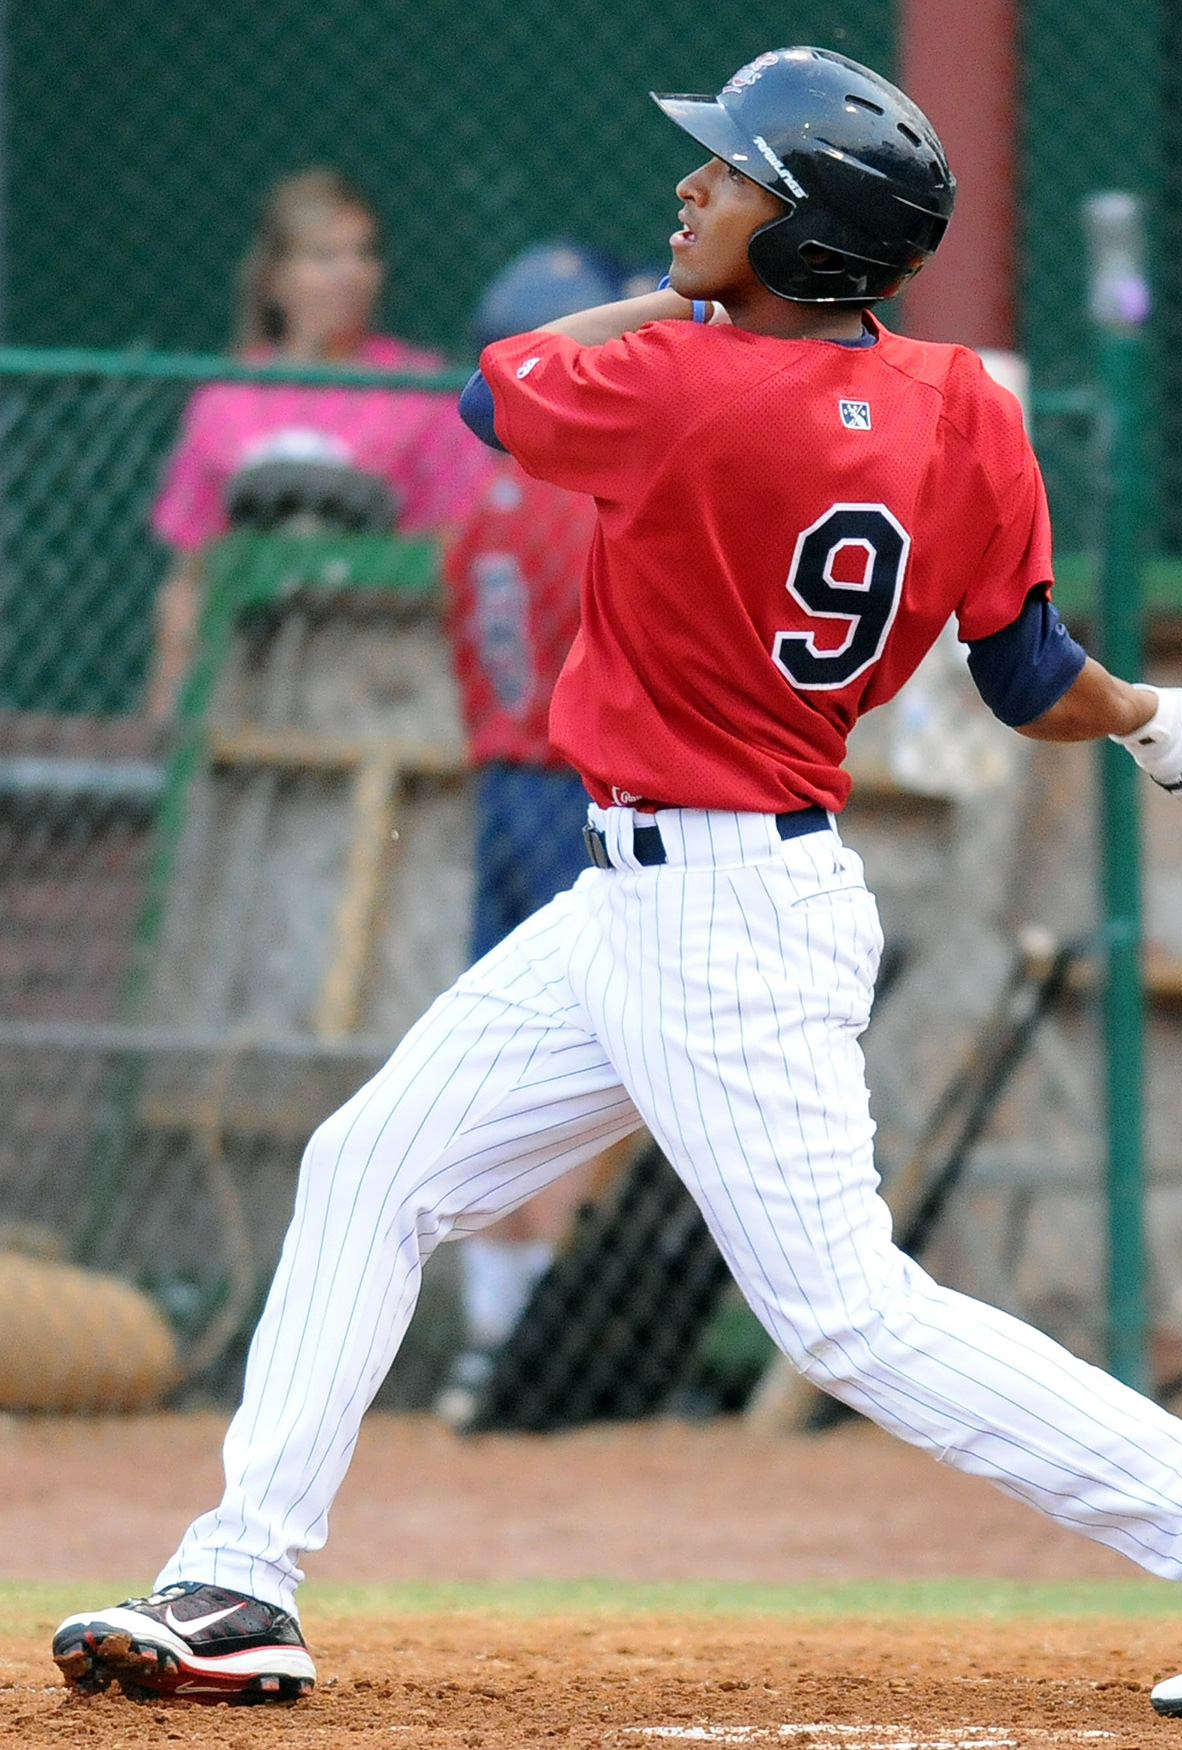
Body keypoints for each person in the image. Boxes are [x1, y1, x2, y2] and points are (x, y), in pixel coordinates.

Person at [53, 49, 1182, 1723]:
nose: (690, 192)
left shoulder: (678, 384)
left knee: (842, 1315)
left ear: (808, 232)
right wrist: (1147, 720)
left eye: (733, 177)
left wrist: (685, 302)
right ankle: (243, 1576)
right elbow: (1031, 674)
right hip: (656, 894)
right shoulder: (963, 402)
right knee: (368, 1165)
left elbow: (495, 390)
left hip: (721, 908)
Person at [434, 242, 632, 1430]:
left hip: (498, 781)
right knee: (585, 1074)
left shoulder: (477, 499)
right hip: (575, 790)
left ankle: (495, 1336)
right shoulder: (582, 502)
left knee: (501, 1066)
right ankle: (540, 1342)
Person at [146, 169, 484, 719]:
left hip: (374, 666)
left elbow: (455, 548)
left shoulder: (421, 391)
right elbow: (189, 572)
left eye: (363, 254)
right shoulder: (226, 395)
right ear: (276, 278)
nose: (350, 274)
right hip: (242, 664)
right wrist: (167, 702)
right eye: (324, 256)